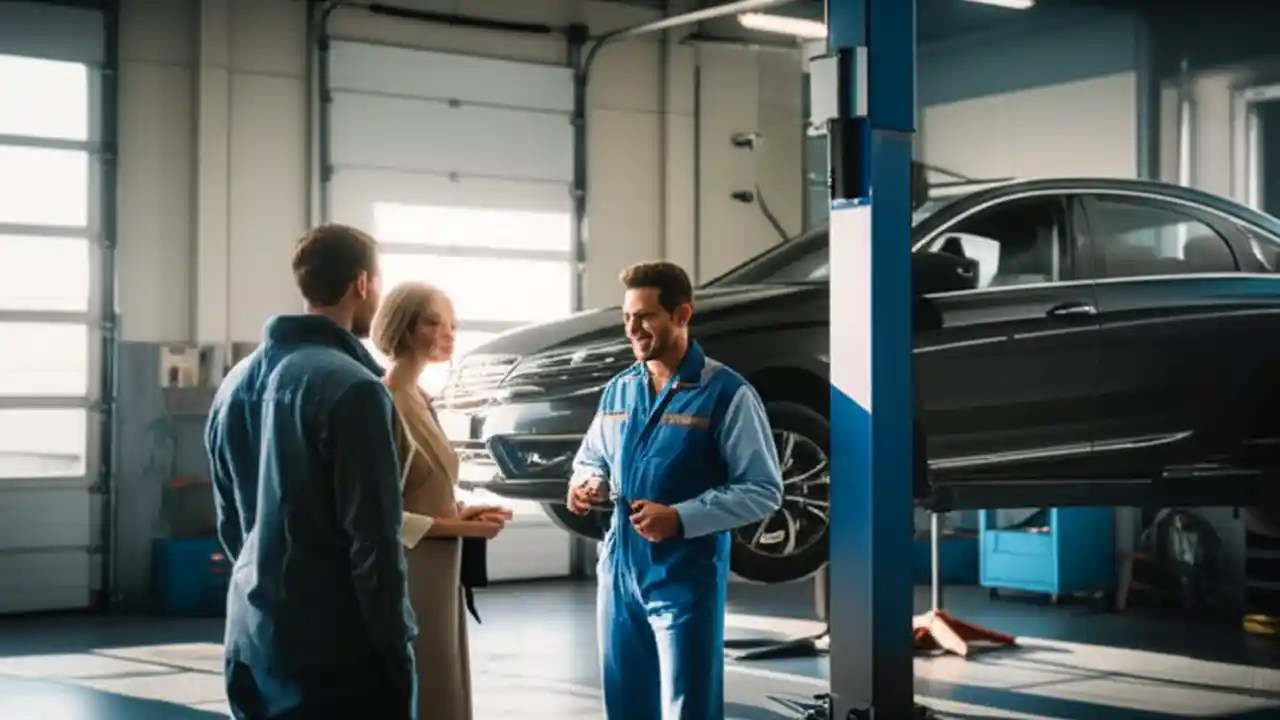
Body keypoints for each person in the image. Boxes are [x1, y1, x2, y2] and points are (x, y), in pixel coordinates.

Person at [205, 223, 417, 719]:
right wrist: (393, 642)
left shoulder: (233, 383)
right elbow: (374, 539)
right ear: (362, 284)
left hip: (251, 635)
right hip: (337, 653)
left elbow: (231, 522)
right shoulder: (354, 388)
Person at [567, 261, 785, 720]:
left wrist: (682, 517)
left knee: (689, 707)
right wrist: (588, 484)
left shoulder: (726, 394)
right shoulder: (618, 391)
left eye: (645, 316)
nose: (632, 329)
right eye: (626, 317)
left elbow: (763, 489)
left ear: (681, 315)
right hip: (620, 572)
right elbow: (591, 458)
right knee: (626, 704)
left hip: (684, 578)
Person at [370, 280, 514, 720]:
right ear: (404, 328)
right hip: (412, 569)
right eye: (434, 323)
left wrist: (463, 513)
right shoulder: (385, 402)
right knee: (429, 680)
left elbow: (421, 489)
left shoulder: (420, 398)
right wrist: (465, 527)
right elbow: (384, 515)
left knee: (445, 678)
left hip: (441, 565)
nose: (448, 333)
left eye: (452, 324)